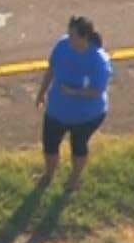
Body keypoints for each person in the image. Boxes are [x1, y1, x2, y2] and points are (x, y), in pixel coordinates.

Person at [34, 16, 113, 192]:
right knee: (50, 144)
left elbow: (97, 91)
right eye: (69, 34)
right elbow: (52, 69)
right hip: (56, 110)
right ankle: (48, 174)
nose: (69, 39)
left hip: (86, 116)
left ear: (84, 37)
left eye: (73, 36)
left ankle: (74, 180)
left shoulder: (99, 61)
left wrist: (74, 92)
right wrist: (41, 93)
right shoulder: (62, 46)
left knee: (78, 146)